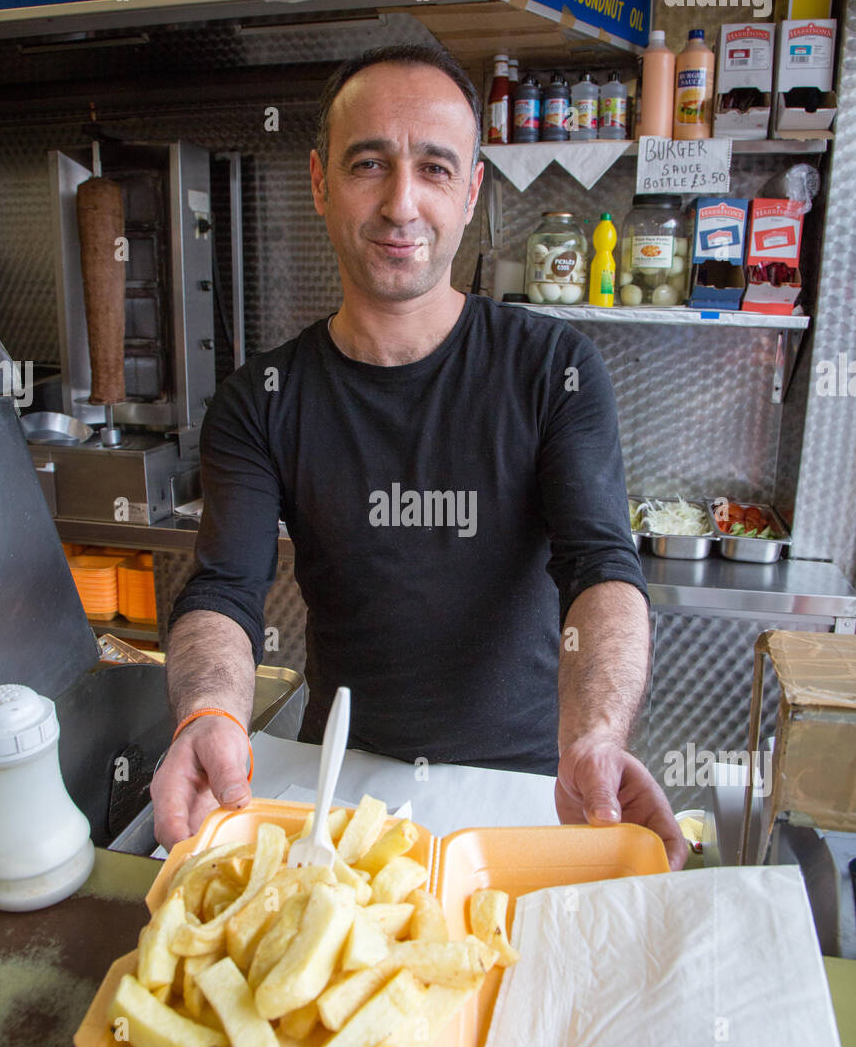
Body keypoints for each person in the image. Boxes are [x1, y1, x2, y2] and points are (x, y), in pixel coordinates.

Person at [153, 42, 686, 870]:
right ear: (321, 183)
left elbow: (601, 567)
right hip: (344, 789)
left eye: (435, 169)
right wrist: (209, 715)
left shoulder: (555, 369)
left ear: (471, 192)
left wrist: (595, 737)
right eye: (369, 164)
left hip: (530, 791)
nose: (402, 203)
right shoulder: (258, 400)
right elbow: (225, 587)